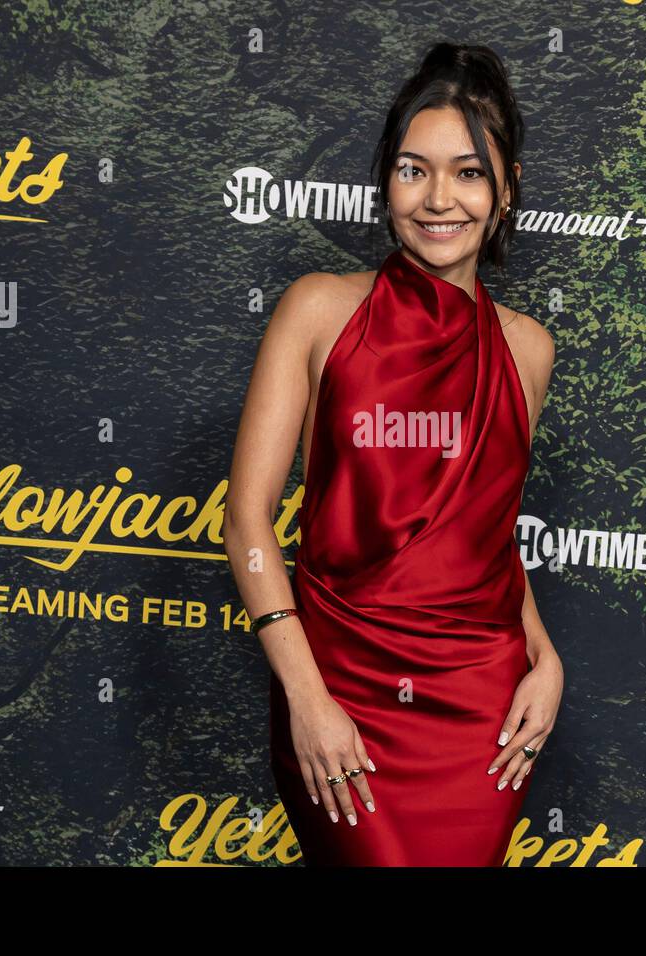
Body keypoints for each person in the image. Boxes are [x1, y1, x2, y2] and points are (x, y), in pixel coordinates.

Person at [224, 42, 561, 866]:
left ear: (506, 189)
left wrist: (546, 661)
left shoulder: (528, 351)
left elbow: (483, 537)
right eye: (414, 170)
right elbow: (246, 522)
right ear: (386, 185)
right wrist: (306, 698)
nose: (438, 198)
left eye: (468, 173)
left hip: (482, 701)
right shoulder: (319, 310)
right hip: (341, 691)